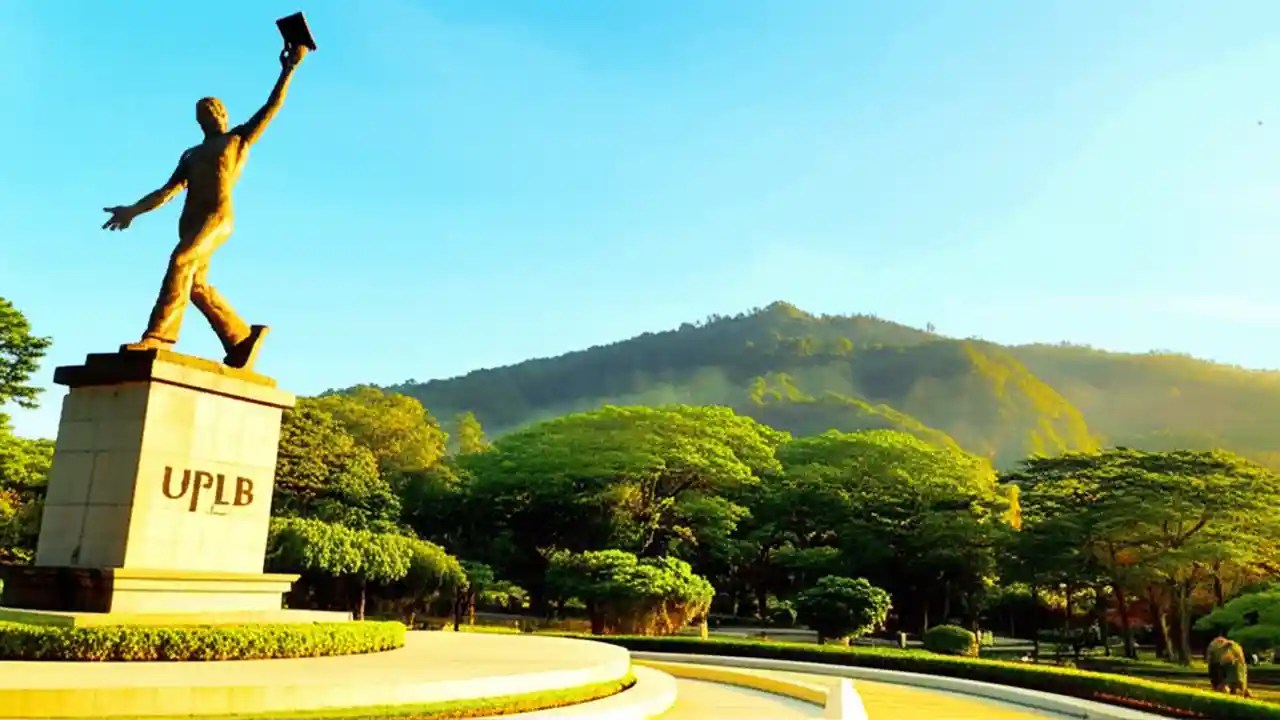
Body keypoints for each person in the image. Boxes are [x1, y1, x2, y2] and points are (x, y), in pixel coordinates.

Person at [102, 43, 309, 369]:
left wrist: (289, 69)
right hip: (190, 220)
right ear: (198, 121)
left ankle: (159, 337)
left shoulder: (238, 139)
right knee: (195, 286)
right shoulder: (191, 154)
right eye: (203, 114)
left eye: (214, 110)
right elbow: (166, 191)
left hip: (218, 217)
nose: (209, 116)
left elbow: (272, 106)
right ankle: (240, 338)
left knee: (180, 261)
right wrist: (132, 210)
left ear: (225, 115)